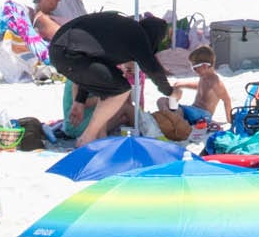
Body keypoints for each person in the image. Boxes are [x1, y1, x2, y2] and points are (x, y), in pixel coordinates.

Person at [47, 9, 178, 144]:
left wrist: (80, 101)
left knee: (108, 89)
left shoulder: (122, 34)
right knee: (121, 88)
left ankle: (99, 138)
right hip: (69, 52)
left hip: (60, 50)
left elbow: (93, 67)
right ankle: (87, 138)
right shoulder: (138, 36)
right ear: (155, 38)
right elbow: (153, 70)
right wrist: (171, 92)